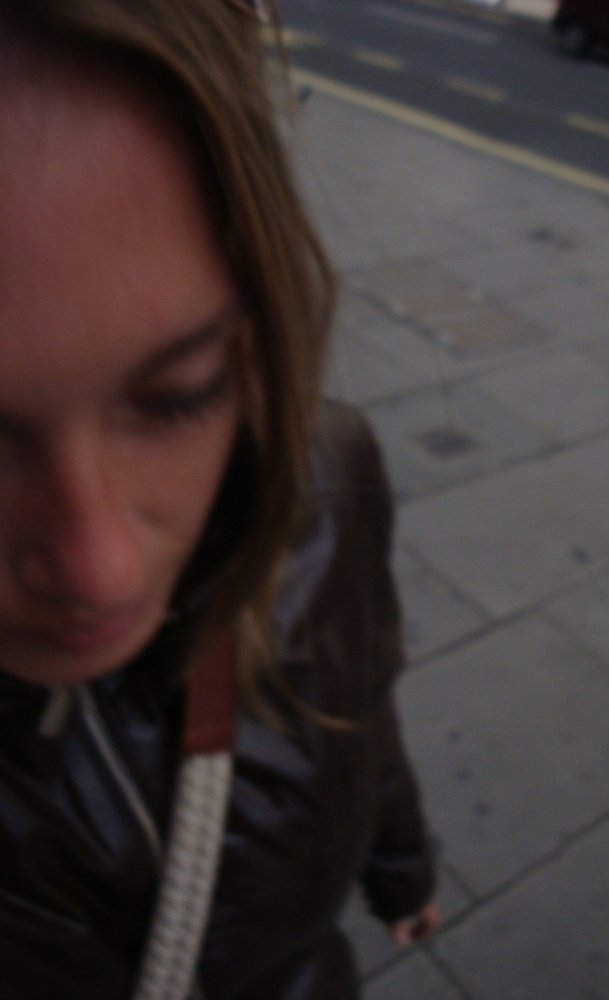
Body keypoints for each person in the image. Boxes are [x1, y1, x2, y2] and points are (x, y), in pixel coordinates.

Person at [0, 1, 439, 997]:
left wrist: (402, 861)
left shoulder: (327, 481)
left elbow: (363, 706)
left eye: (181, 394)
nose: (100, 569)